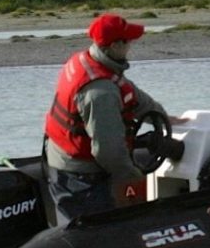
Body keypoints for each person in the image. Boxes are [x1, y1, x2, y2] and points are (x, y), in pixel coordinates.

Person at [41, 12, 172, 225]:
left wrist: (163, 118)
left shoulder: (88, 61)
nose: (131, 44)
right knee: (100, 234)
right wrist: (135, 178)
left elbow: (135, 98)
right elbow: (108, 152)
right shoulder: (100, 92)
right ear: (114, 45)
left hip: (60, 155)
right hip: (79, 177)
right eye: (127, 40)